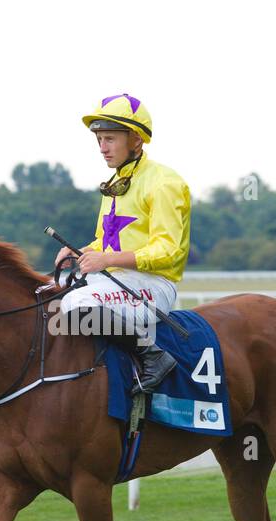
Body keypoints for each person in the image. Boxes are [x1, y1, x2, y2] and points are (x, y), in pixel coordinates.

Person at [54, 93, 192, 396]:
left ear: (136, 140)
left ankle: (153, 356)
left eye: (110, 139)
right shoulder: (116, 183)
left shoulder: (164, 183)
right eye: (99, 139)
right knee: (46, 296)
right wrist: (83, 251)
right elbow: (106, 243)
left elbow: (169, 250)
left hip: (152, 286)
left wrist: (104, 260)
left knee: (75, 304)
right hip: (115, 281)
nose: (102, 148)